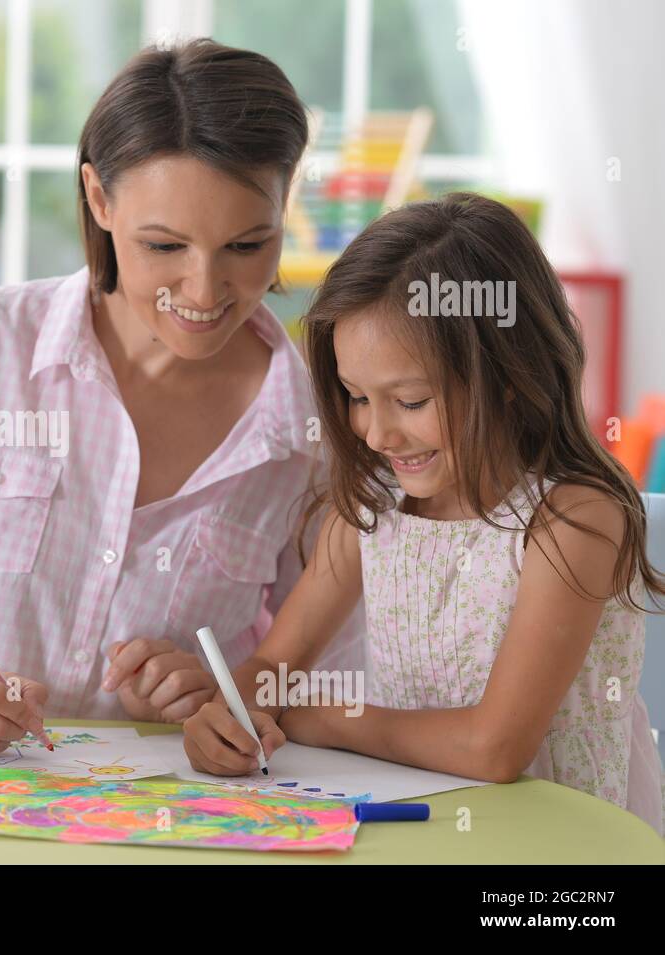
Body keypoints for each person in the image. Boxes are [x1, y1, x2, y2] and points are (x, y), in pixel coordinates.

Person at [0, 39, 364, 758]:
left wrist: (219, 697)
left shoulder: (314, 430)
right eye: (165, 247)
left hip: (178, 822)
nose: (202, 291)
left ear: (283, 208)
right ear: (99, 199)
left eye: (245, 246)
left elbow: (327, 681)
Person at [182, 193, 665, 834]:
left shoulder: (573, 520)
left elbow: (493, 749)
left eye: (410, 401)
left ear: (512, 372)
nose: (377, 434)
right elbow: (275, 664)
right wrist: (229, 713)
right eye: (356, 397)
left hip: (560, 844)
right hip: (433, 827)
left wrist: (314, 716)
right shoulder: (375, 508)